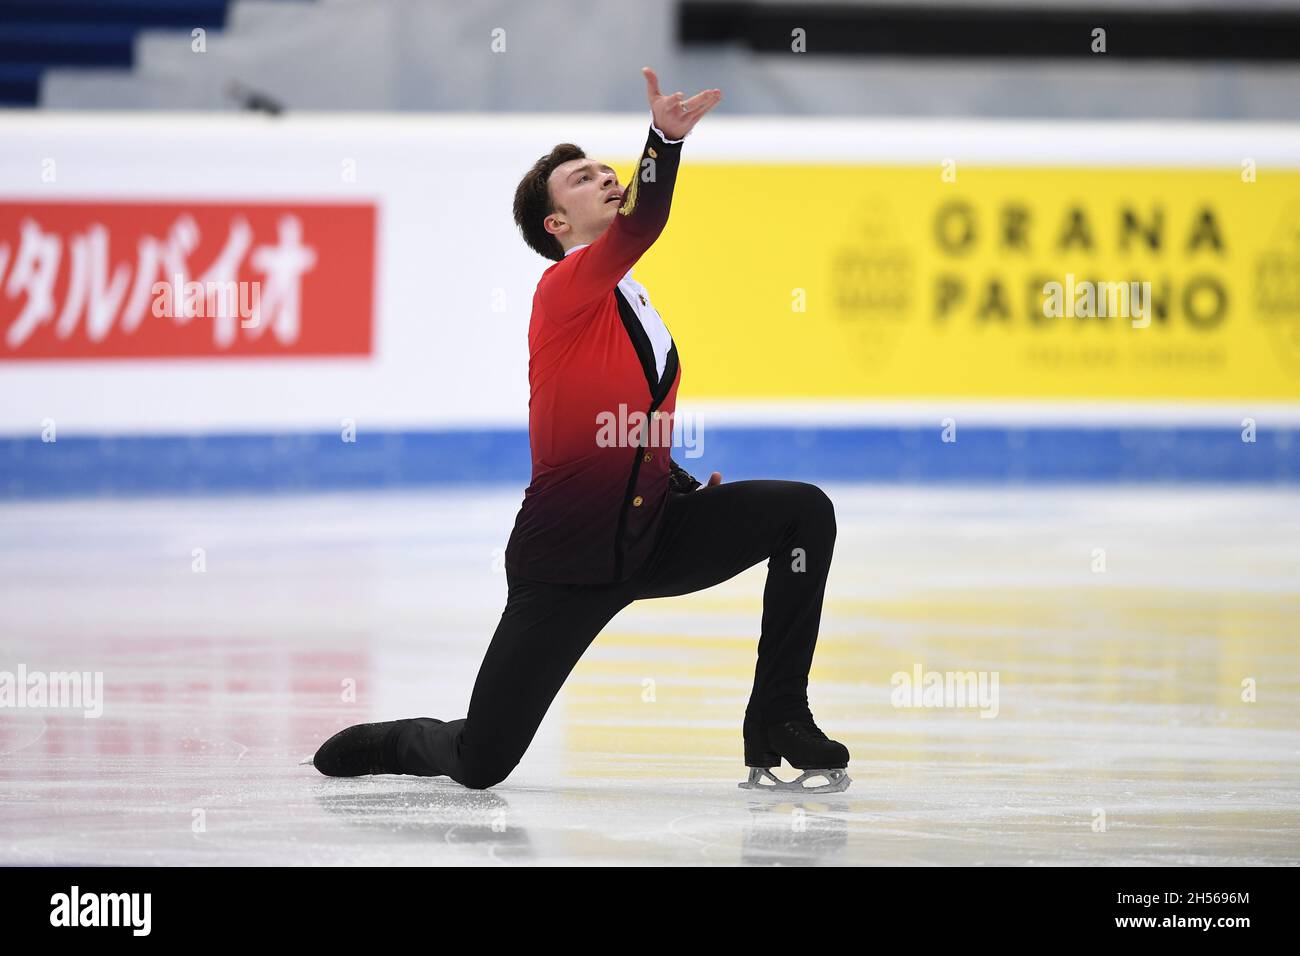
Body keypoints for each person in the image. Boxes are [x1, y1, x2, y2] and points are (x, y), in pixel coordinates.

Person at [311, 67, 850, 793]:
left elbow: (627, 419)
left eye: (605, 168)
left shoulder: (636, 299)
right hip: (566, 562)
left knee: (802, 513)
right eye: (581, 177)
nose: (605, 176)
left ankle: (779, 717)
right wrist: (663, 140)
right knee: (482, 764)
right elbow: (646, 222)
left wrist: (679, 485)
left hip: (654, 535)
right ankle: (402, 741)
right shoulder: (564, 288)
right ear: (555, 225)